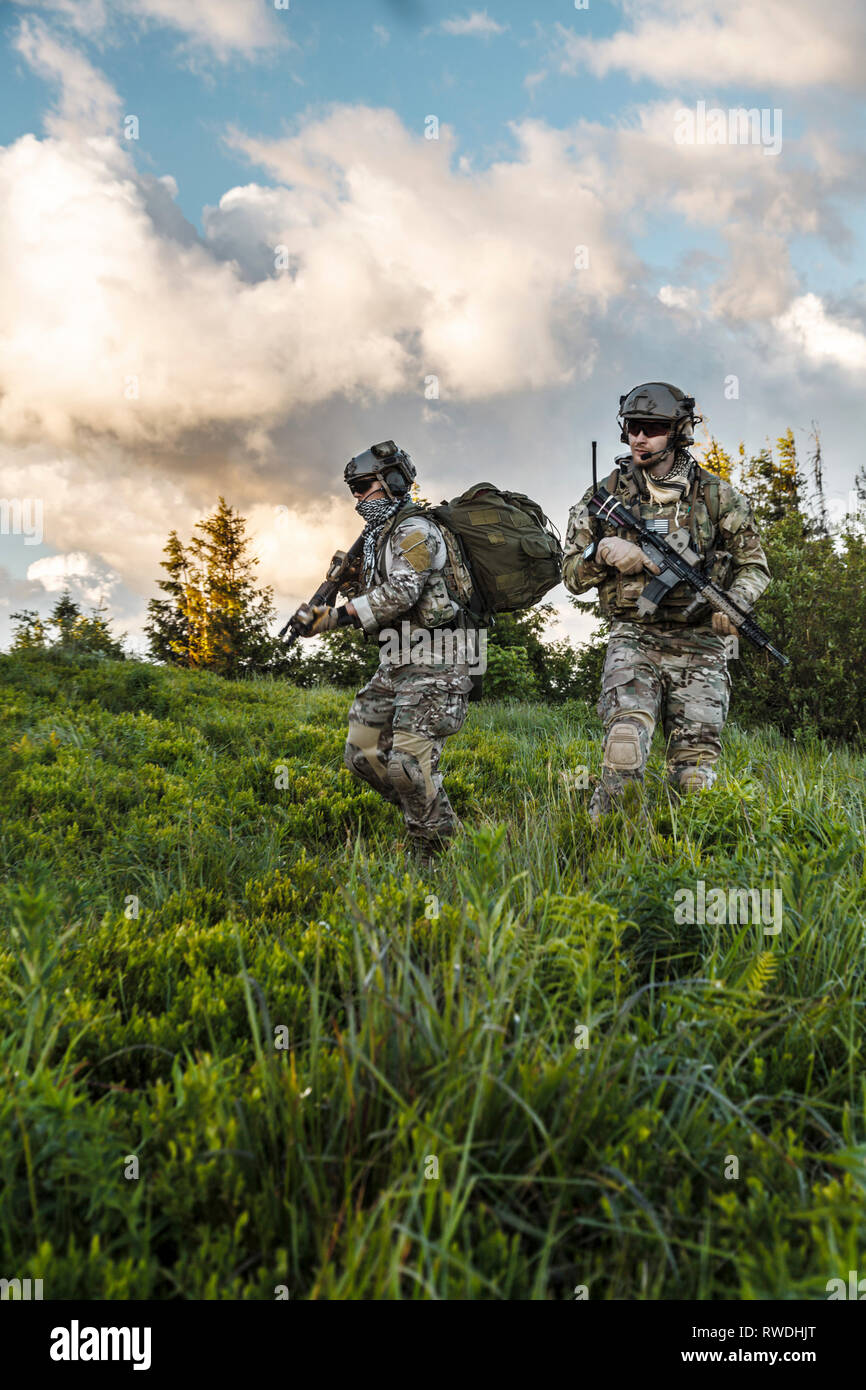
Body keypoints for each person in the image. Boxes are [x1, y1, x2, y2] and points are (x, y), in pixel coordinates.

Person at [562, 383, 771, 823]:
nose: (639, 437)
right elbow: (570, 576)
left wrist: (735, 603)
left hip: (700, 643)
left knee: (693, 777)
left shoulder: (717, 496)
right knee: (623, 748)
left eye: (653, 428)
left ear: (677, 432)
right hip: (634, 636)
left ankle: (688, 861)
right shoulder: (603, 498)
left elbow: (756, 567)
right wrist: (601, 553)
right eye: (633, 427)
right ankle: (606, 851)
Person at [295, 441, 473, 862]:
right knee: (362, 755)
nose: (356, 497)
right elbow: (379, 595)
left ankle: (434, 852)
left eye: (362, 485)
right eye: (351, 489)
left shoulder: (416, 531)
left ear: (393, 482)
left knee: (407, 764)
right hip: (395, 660)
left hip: (437, 658)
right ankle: (431, 816)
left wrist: (336, 617)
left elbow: (404, 592)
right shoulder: (378, 540)